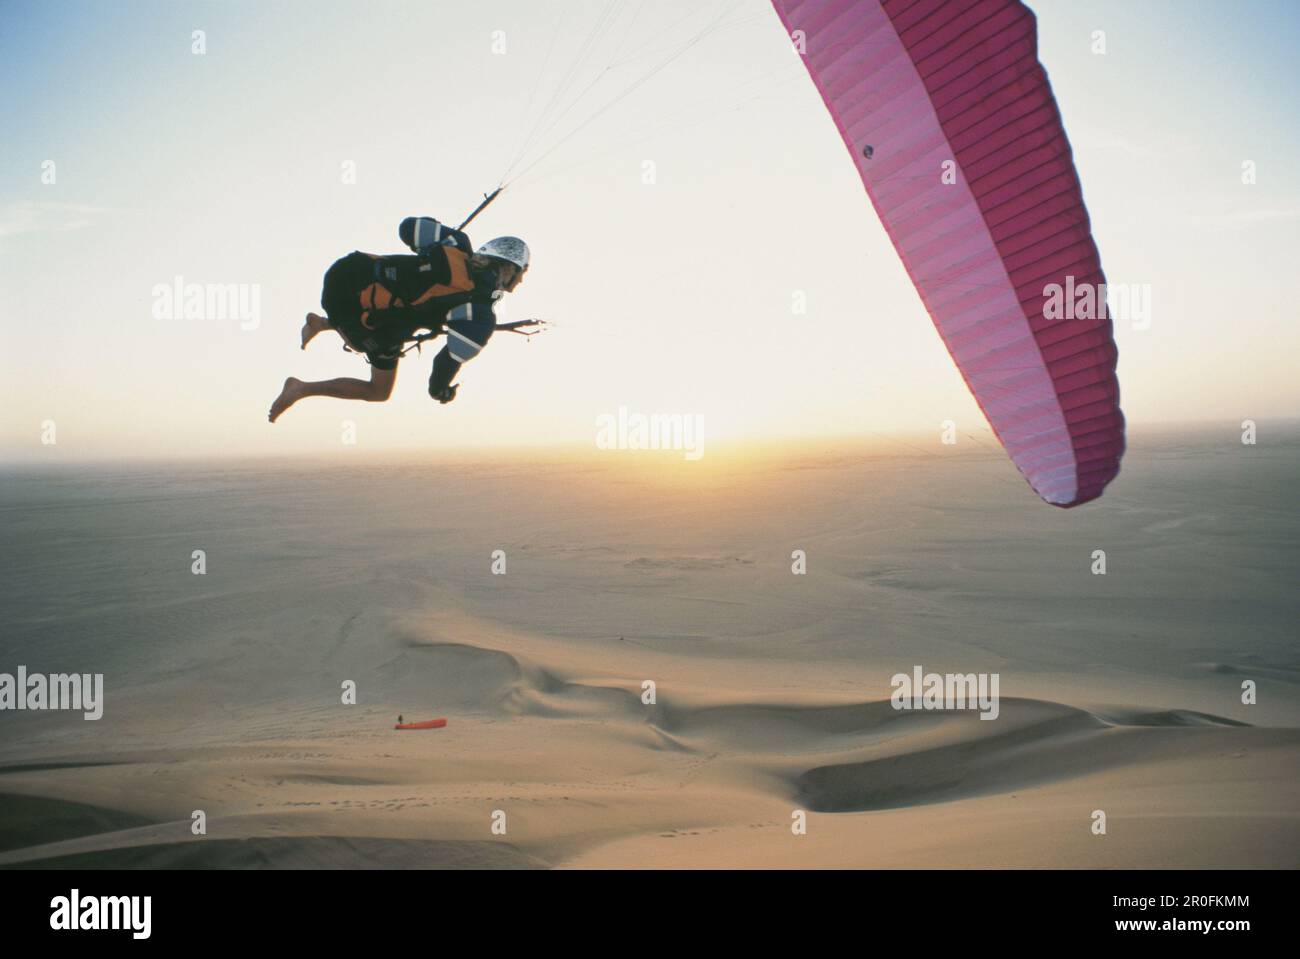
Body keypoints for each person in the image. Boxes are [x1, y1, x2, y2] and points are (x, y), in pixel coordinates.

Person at [268, 218, 529, 422]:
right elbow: (441, 371)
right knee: (378, 390)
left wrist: (441, 239)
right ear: (507, 269)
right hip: (351, 305)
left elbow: (407, 228)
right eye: (520, 274)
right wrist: (442, 392)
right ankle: (300, 388)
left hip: (347, 269)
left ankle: (321, 323)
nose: (519, 283)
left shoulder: (457, 244)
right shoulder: (479, 314)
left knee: (385, 313)